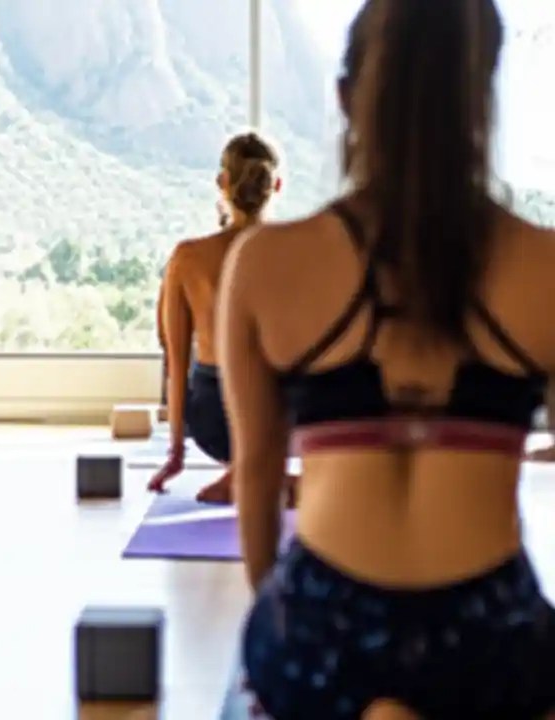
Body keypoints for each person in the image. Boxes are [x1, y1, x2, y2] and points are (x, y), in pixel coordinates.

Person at [224, 1, 555, 718]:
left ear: (346, 98)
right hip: (487, 637)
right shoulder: (545, 269)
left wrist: (280, 628)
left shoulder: (265, 264)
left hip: (323, 633)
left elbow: (254, 473)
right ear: (482, 92)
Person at [148, 133, 286, 505]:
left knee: (192, 357)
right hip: (280, 423)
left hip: (213, 425)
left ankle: (240, 471)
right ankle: (266, 473)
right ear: (276, 185)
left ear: (221, 183)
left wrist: (175, 455)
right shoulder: (295, 250)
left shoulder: (187, 258)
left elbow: (175, 364)